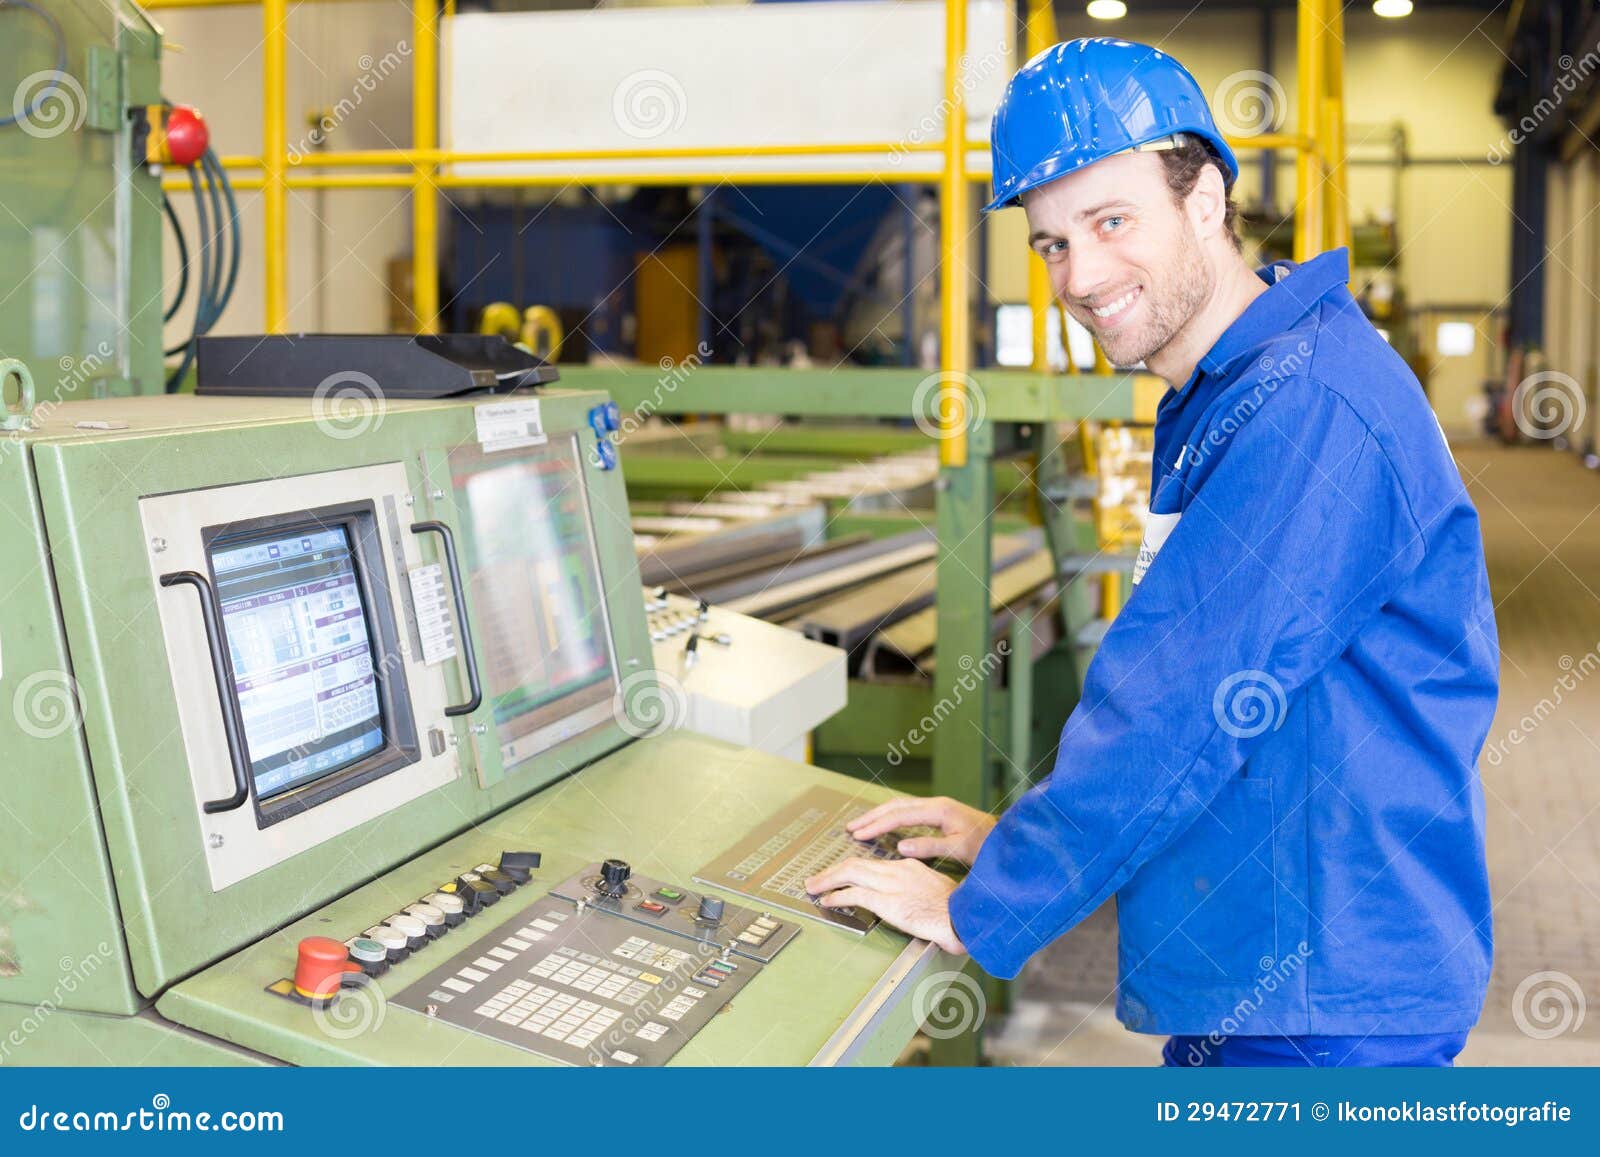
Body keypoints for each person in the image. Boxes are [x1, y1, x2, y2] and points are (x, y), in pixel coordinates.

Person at [805, 38, 1499, 1068]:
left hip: (1323, 998)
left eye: (1110, 221)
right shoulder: (1234, 387)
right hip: (1269, 953)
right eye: (1049, 244)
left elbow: (1177, 704)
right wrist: (1014, 837)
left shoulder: (1307, 405)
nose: (1080, 276)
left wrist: (986, 907)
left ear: (1206, 198)